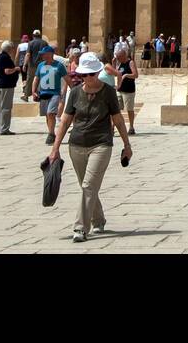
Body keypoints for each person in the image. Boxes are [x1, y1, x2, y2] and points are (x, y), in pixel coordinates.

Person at [47, 52, 132, 242]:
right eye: (84, 75)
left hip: (101, 144)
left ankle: (80, 228)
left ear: (98, 72)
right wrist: (55, 148)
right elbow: (66, 121)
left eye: (91, 74)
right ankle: (98, 219)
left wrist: (127, 144)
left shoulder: (108, 92)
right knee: (87, 187)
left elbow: (117, 119)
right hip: (76, 144)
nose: (87, 78)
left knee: (88, 185)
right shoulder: (76, 92)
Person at [32, 45, 67, 144]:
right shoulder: (40, 65)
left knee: (50, 113)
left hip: (55, 93)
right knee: (47, 116)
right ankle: (51, 133)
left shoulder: (59, 65)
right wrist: (33, 91)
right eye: (42, 54)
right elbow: (36, 78)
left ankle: (51, 134)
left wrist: (74, 90)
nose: (42, 56)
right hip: (43, 93)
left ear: (50, 54)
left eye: (44, 54)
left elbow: (67, 78)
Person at [0, 41, 19, 135]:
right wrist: (16, 69)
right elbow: (7, 71)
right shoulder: (5, 58)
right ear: (9, 49)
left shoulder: (0, 56)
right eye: (12, 48)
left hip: (1, 84)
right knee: (6, 107)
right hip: (6, 85)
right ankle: (4, 129)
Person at [115, 45, 139, 135]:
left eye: (119, 57)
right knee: (116, 109)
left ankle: (131, 126)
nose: (118, 59)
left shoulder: (130, 62)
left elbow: (135, 75)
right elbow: (116, 74)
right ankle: (114, 126)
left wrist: (126, 75)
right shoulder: (119, 64)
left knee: (129, 109)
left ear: (123, 56)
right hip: (120, 89)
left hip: (129, 90)